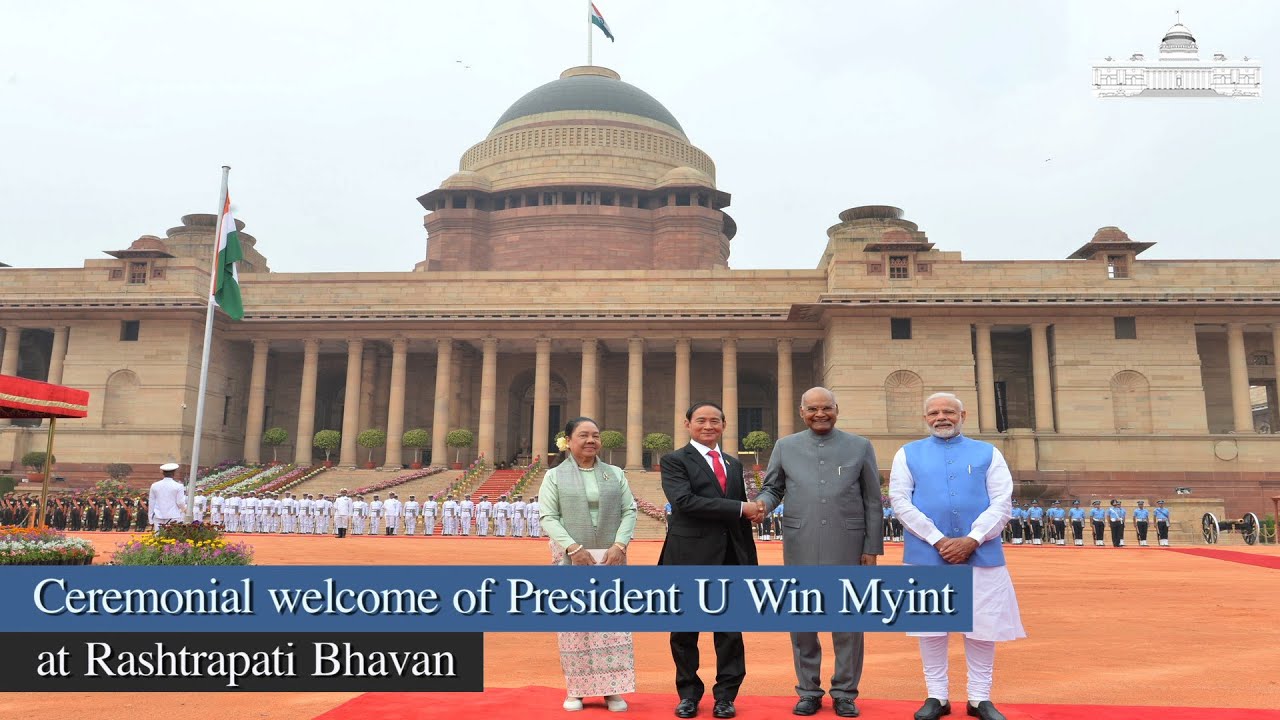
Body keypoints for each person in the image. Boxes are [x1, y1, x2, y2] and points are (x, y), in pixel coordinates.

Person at [889, 392, 1025, 720]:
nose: (941, 417)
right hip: (926, 552)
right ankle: (937, 696)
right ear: (925, 418)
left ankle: (980, 698)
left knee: (982, 625)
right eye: (934, 412)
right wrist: (938, 540)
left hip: (981, 552)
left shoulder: (987, 453)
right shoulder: (907, 454)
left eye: (948, 411)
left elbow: (1002, 501)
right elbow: (900, 501)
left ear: (963, 414)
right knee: (931, 626)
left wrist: (972, 539)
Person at [755, 387, 883, 718]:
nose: (820, 414)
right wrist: (762, 505)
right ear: (802, 412)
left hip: (849, 545)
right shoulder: (785, 446)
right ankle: (808, 690)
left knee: (848, 623)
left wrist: (871, 547)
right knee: (802, 620)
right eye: (813, 409)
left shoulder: (859, 446)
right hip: (801, 542)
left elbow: (872, 499)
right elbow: (773, 488)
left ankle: (845, 691)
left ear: (837, 410)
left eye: (826, 408)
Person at [659, 401, 760, 720]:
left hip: (730, 555)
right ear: (687, 424)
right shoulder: (674, 460)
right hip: (688, 556)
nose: (708, 426)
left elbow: (737, 515)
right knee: (684, 631)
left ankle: (726, 696)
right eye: (700, 420)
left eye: (714, 421)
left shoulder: (731, 464)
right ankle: (688, 694)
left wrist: (749, 557)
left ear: (724, 425)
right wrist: (741, 508)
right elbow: (684, 502)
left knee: (730, 631)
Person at [539, 416, 637, 713]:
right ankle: (577, 690)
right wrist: (573, 548)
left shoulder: (615, 473)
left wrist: (620, 545)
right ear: (568, 441)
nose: (591, 440)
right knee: (575, 627)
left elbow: (629, 510)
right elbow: (548, 517)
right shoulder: (554, 476)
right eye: (584, 435)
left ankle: (612, 691)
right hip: (572, 559)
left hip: (611, 558)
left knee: (612, 626)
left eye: (595, 435)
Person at [148, 462, 186, 532]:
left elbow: (151, 503)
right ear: (174, 473)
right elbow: (180, 502)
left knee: (159, 538)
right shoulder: (178, 486)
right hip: (173, 516)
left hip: (158, 516)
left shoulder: (155, 485)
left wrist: (150, 519)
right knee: (172, 538)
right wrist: (185, 510)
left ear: (163, 473)